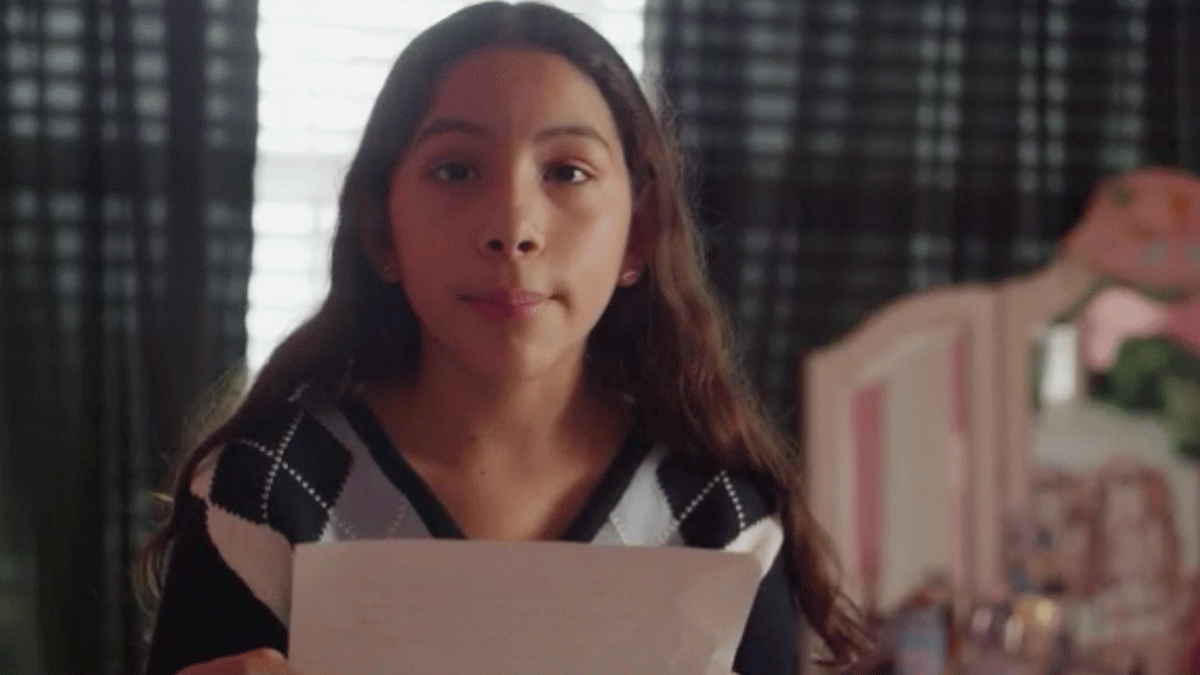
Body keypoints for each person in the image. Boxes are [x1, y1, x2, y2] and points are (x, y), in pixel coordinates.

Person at [139, 3, 869, 674]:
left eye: (567, 172)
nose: (513, 227)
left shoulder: (721, 519)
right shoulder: (263, 495)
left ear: (638, 238)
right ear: (379, 229)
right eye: (455, 169)